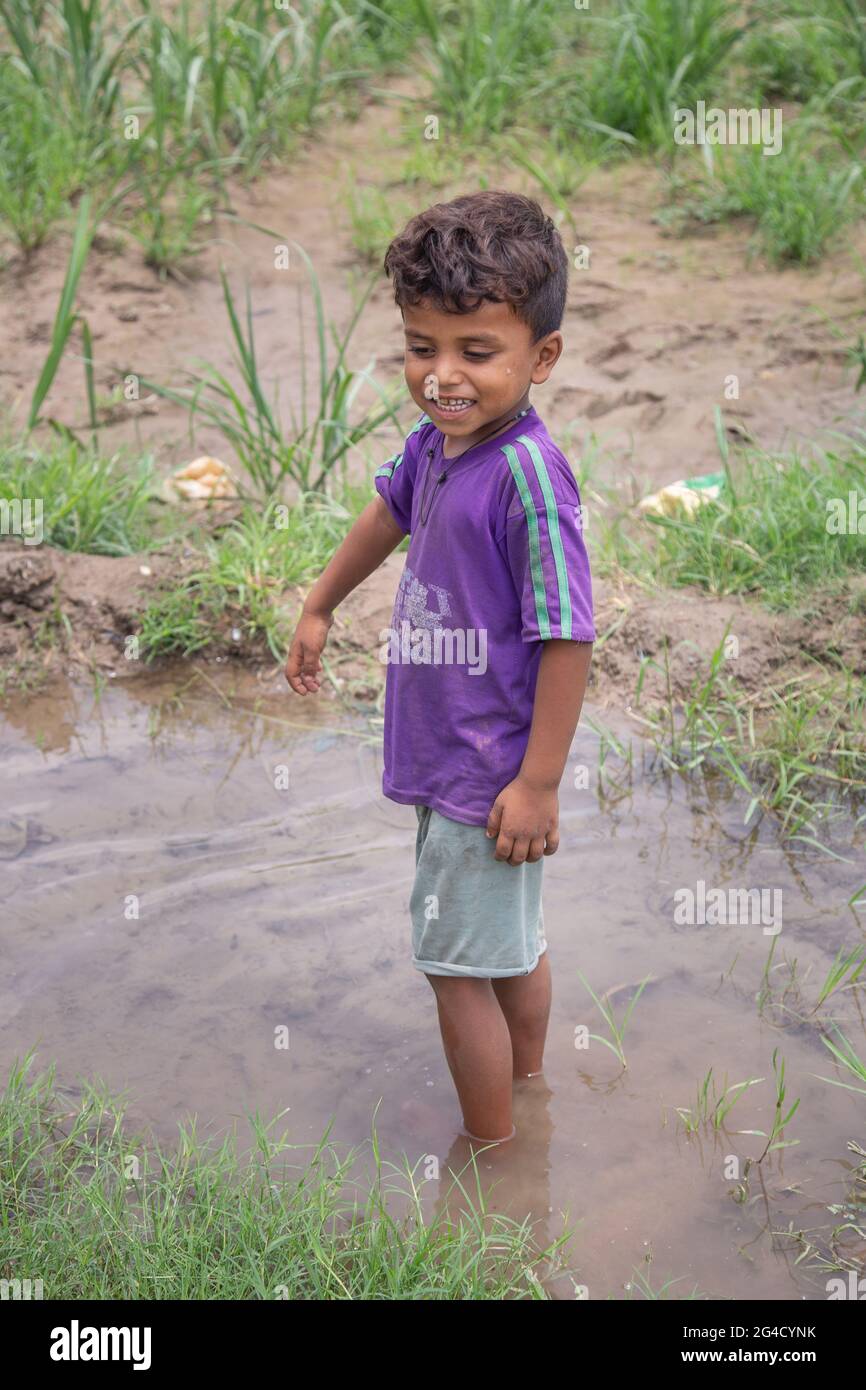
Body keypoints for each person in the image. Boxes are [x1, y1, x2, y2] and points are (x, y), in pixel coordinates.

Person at [285, 190, 595, 1145]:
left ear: (541, 357)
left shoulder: (529, 481)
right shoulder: (439, 445)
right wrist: (320, 601)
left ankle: (493, 1153)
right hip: (456, 756)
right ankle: (529, 1092)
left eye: (476, 352)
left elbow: (567, 637)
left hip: (485, 770)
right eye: (422, 347)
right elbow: (389, 512)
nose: (443, 376)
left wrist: (537, 783)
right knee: (504, 949)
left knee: (456, 966)